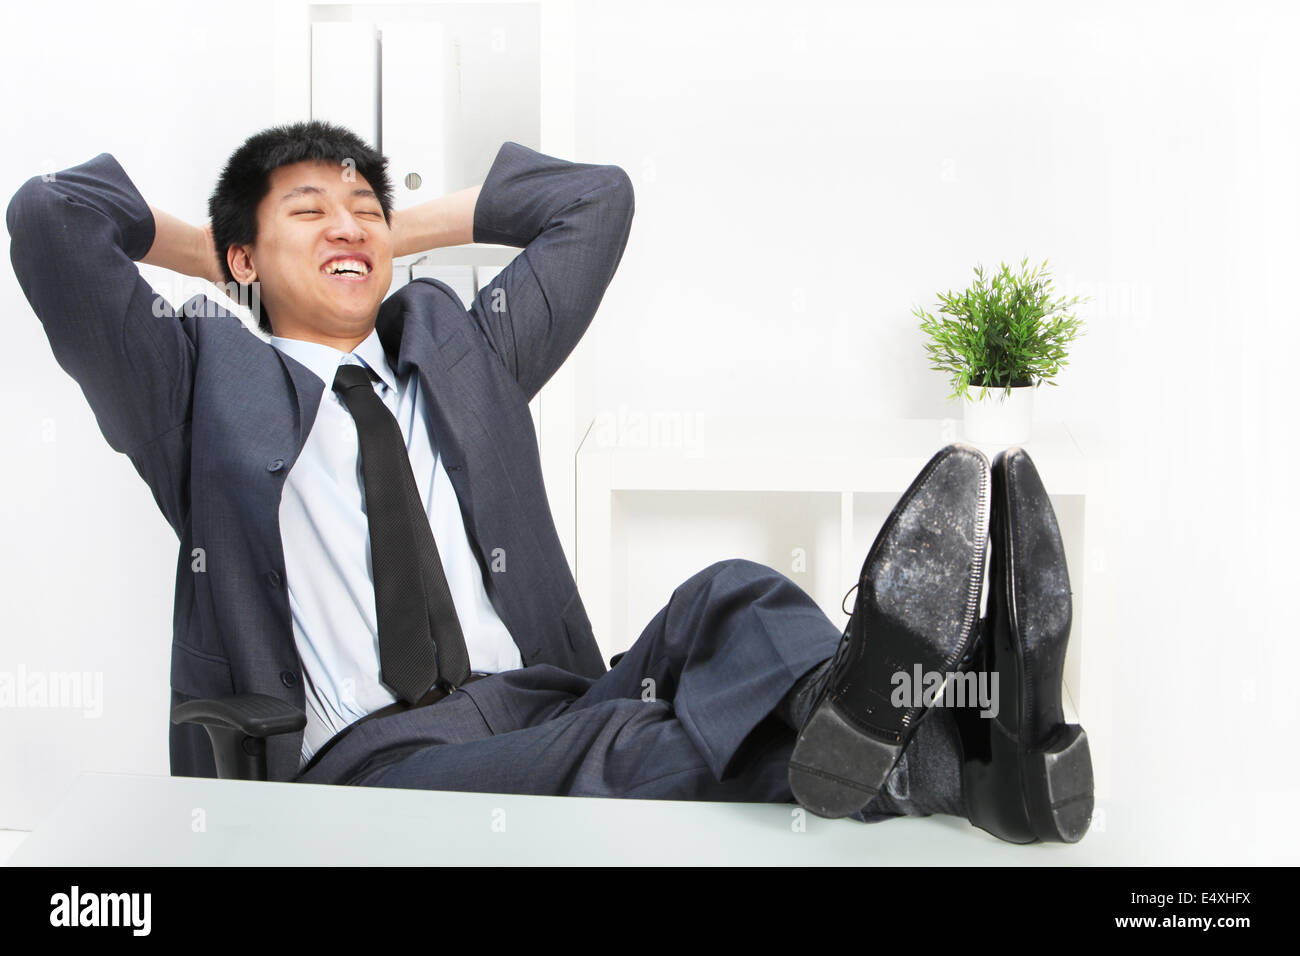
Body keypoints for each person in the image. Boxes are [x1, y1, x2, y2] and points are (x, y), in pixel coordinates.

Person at [6, 120, 1092, 842]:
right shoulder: (191, 381)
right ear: (243, 255)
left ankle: (898, 732)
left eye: (364, 208)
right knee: (634, 749)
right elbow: (50, 220)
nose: (346, 221)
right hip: (378, 768)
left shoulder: (460, 349)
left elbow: (594, 202)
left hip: (548, 698)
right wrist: (219, 249)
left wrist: (377, 234)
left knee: (735, 590)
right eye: (306, 209)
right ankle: (950, 747)